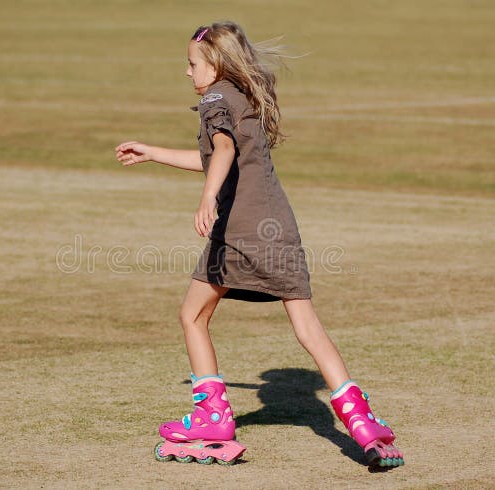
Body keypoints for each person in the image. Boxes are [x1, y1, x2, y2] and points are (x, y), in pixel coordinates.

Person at [115, 21, 404, 468]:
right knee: (308, 329)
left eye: (191, 65)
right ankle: (362, 422)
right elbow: (215, 156)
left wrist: (209, 197)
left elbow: (224, 150)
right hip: (279, 227)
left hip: (238, 230)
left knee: (192, 315)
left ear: (214, 65)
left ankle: (211, 416)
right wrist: (154, 152)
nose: (187, 73)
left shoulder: (213, 99)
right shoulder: (240, 96)